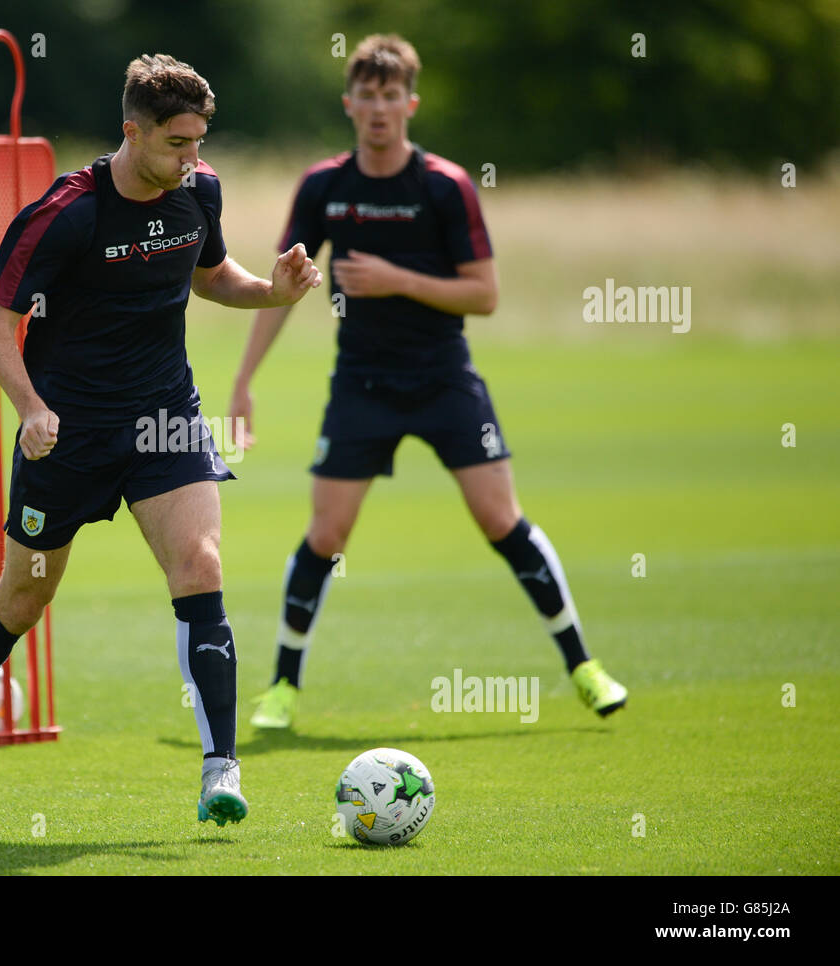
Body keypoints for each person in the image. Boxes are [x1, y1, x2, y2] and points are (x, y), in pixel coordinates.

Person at [0, 53, 322, 827]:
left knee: (200, 564)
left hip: (164, 416)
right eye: (176, 143)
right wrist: (29, 408)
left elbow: (211, 272)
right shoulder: (64, 214)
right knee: (23, 599)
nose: (192, 158)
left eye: (199, 141)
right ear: (132, 131)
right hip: (65, 436)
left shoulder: (200, 190)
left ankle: (219, 770)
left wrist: (272, 291)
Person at [234, 34, 626, 730]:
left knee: (499, 519)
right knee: (327, 534)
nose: (379, 109)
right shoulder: (324, 185)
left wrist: (395, 282)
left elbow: (485, 295)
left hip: (445, 379)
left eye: (392, 96)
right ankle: (282, 689)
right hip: (361, 383)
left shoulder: (445, 185)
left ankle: (583, 667)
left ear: (410, 104)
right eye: (367, 96)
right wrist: (243, 380)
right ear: (349, 103)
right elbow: (281, 288)